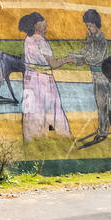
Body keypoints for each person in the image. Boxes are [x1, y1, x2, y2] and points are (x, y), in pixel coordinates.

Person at [19, 12, 74, 142]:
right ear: (37, 26)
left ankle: (31, 138)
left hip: (29, 78)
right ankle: (63, 137)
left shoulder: (28, 39)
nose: (46, 29)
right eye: (44, 26)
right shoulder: (41, 41)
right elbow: (53, 63)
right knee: (52, 108)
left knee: (31, 108)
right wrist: (68, 59)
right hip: (43, 79)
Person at [69, 9, 111, 140]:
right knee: (100, 103)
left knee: (103, 103)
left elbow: (97, 58)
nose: (89, 28)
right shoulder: (90, 36)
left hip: (102, 74)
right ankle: (102, 128)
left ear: (96, 23)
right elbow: (86, 50)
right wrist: (76, 55)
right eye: (87, 26)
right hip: (94, 74)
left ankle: (103, 130)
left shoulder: (101, 39)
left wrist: (82, 60)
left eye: (91, 25)